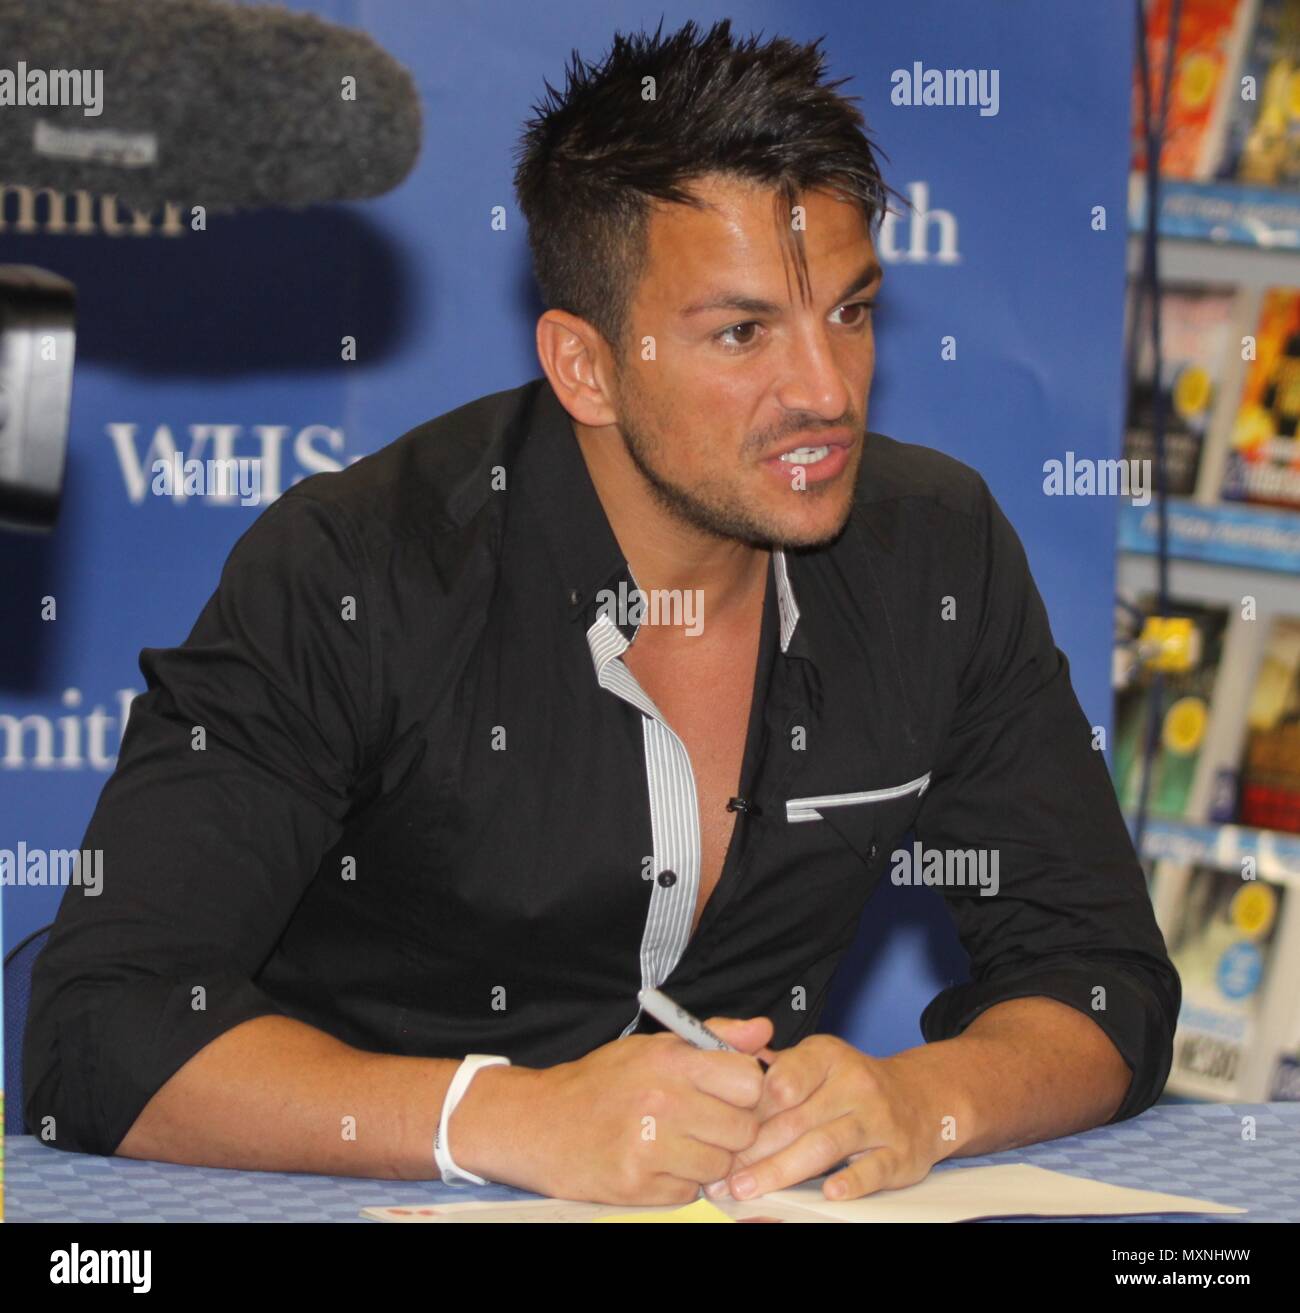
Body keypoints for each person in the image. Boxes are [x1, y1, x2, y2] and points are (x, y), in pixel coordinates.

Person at [25, 17, 1179, 1207]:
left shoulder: (936, 551)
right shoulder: (355, 568)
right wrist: (502, 1113)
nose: (826, 392)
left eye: (849, 311)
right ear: (584, 366)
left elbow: (1101, 976)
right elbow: (100, 1023)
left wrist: (927, 1099)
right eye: (742, 332)